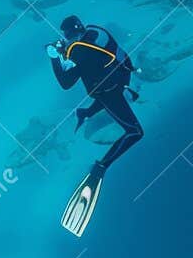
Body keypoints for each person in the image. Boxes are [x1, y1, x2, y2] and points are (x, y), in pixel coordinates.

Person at [49, 15, 142, 236]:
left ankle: (100, 167)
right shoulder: (96, 34)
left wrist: (54, 57)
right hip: (121, 81)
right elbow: (102, 60)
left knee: (135, 132)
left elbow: (65, 83)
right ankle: (86, 113)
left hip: (109, 93)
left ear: (68, 35)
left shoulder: (79, 51)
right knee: (106, 98)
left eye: (67, 37)